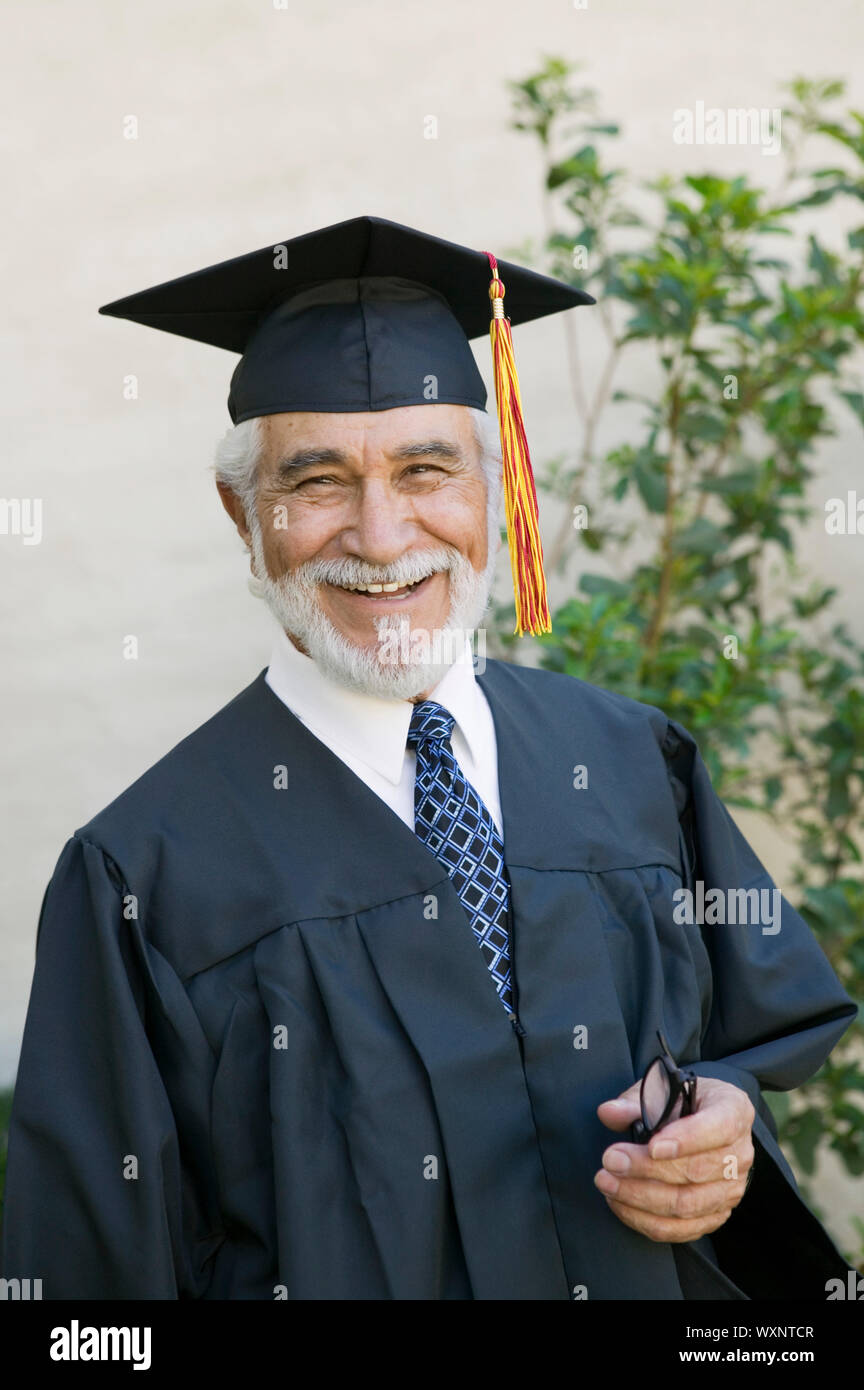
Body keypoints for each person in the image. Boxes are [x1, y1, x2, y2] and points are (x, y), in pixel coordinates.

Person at [1, 216, 856, 1300]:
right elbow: (93, 1283)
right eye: (317, 482)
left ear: (491, 493)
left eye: (425, 469)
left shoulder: (635, 763)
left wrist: (724, 1134)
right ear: (241, 514)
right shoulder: (144, 877)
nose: (382, 532)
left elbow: (751, 1047)